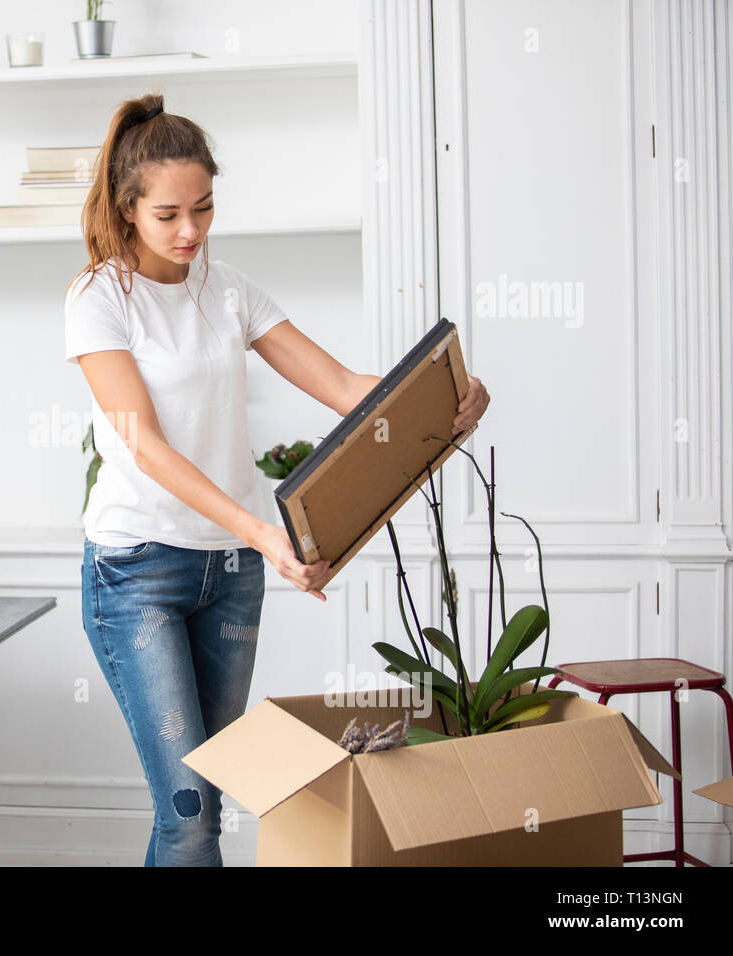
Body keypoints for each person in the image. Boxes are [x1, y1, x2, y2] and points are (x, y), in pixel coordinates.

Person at [63, 93, 489, 866]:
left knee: (210, 804)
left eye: (205, 207)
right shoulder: (100, 301)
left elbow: (344, 384)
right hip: (135, 573)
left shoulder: (228, 290)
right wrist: (261, 531)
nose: (190, 230)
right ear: (128, 209)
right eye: (168, 215)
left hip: (228, 575)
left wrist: (447, 393)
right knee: (186, 812)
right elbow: (146, 448)